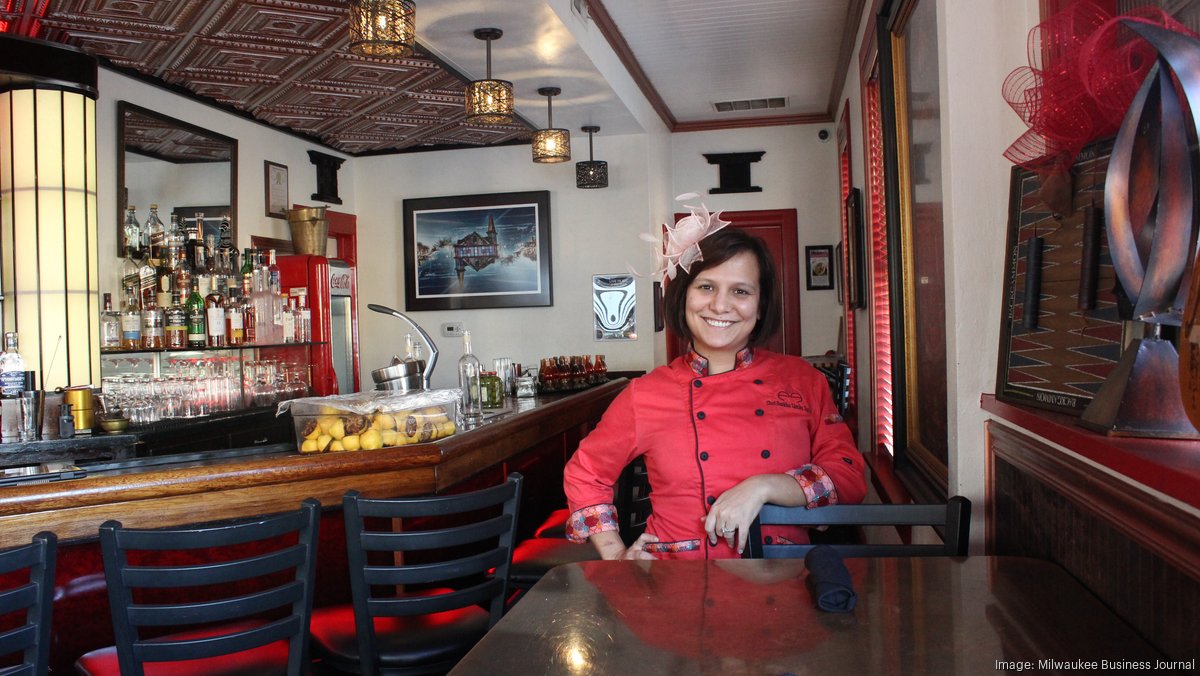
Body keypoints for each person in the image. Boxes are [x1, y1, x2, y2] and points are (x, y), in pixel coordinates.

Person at [563, 197, 866, 560]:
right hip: (677, 579)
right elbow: (585, 474)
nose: (721, 306)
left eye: (741, 291)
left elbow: (848, 477)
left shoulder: (802, 381)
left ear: (761, 305)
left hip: (783, 579)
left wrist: (764, 486)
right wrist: (615, 556)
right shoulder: (646, 394)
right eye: (706, 287)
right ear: (683, 296)